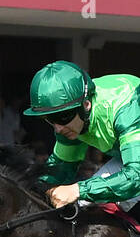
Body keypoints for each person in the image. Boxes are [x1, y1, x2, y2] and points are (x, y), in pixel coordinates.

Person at [27, 61, 140, 212]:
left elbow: (136, 176)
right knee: (87, 203)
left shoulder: (126, 109)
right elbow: (59, 171)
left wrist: (77, 190)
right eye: (49, 118)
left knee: (92, 196)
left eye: (62, 117)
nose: (58, 128)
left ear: (86, 105)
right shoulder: (73, 120)